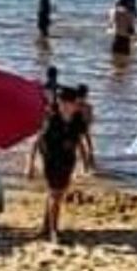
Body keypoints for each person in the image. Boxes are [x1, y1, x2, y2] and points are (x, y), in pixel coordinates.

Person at [29, 87, 88, 243]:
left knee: (56, 195)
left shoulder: (78, 120)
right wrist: (30, 164)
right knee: (55, 194)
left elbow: (80, 142)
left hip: (68, 160)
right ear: (62, 103)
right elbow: (36, 142)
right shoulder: (51, 120)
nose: (76, 105)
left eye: (76, 103)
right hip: (50, 159)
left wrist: (85, 162)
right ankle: (54, 232)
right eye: (72, 103)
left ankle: (45, 228)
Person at [74, 84, 96, 173]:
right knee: (87, 145)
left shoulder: (74, 104)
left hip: (76, 128)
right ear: (86, 95)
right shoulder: (88, 107)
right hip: (83, 128)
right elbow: (90, 120)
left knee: (82, 146)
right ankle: (88, 165)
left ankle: (86, 166)